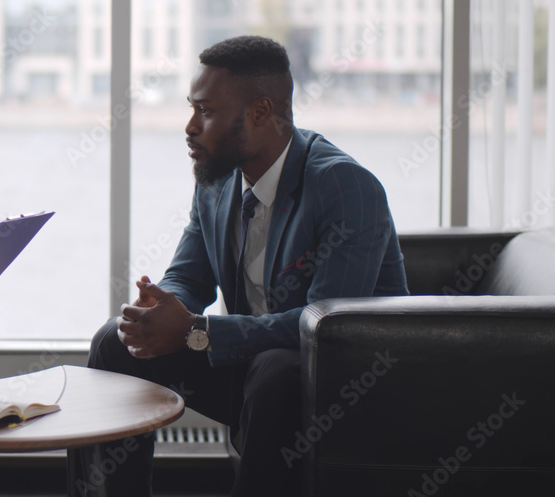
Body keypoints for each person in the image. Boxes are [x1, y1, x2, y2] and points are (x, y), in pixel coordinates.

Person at [73, 35, 408, 496]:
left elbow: (327, 325)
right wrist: (161, 308)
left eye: (205, 111)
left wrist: (198, 330)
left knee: (276, 371)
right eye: (192, 108)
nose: (190, 127)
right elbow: (189, 276)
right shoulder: (218, 178)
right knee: (115, 340)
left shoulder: (343, 186)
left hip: (339, 382)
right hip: (252, 363)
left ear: (259, 112)